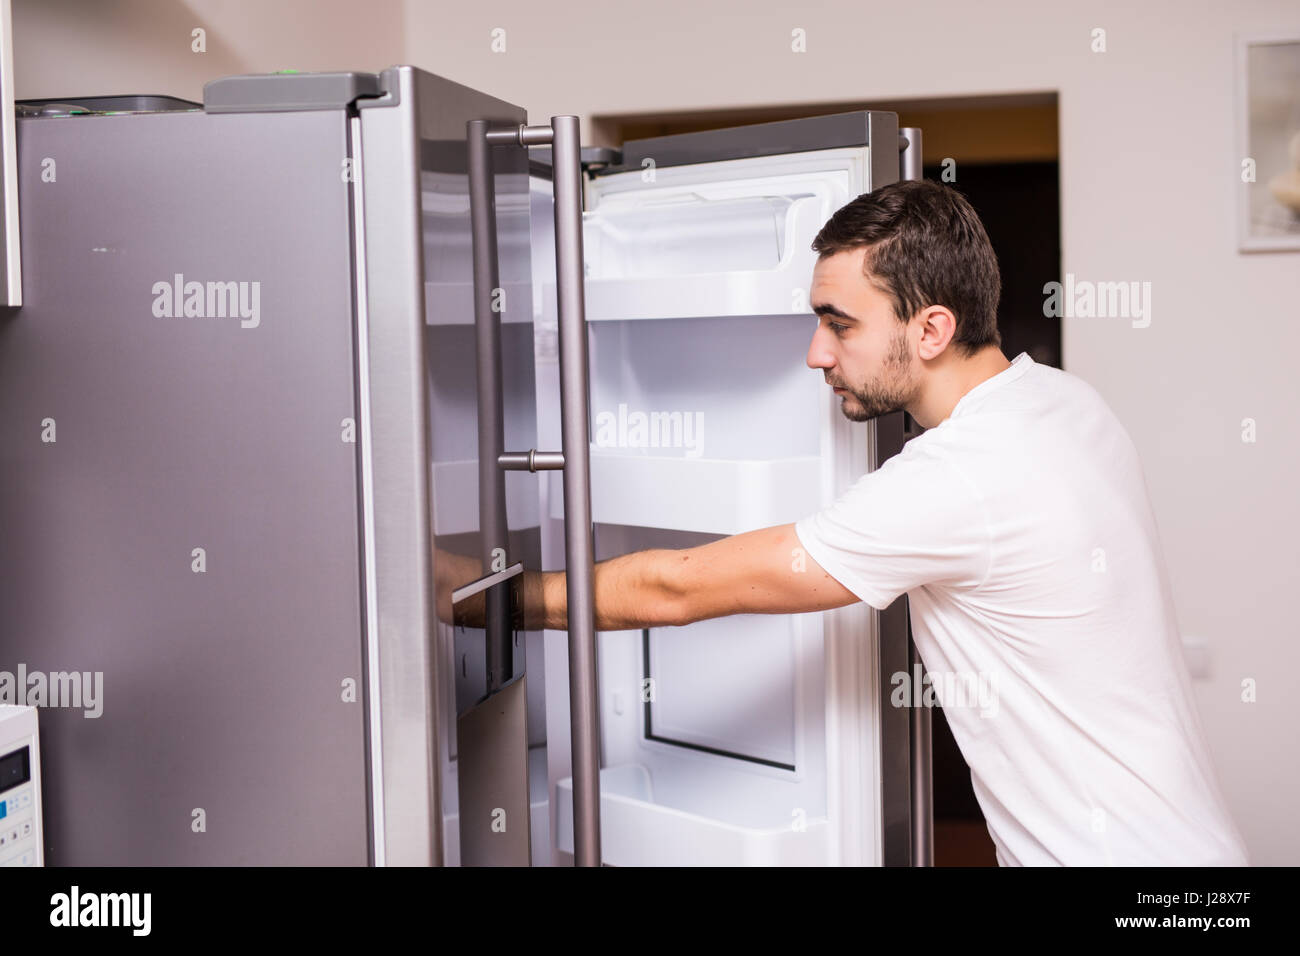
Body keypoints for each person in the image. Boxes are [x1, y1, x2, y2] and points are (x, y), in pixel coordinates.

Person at [437, 178, 1249, 867]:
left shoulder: (957, 478)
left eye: (840, 323)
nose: (816, 354)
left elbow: (676, 589)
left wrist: (474, 597)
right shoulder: (1064, 401)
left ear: (931, 329)